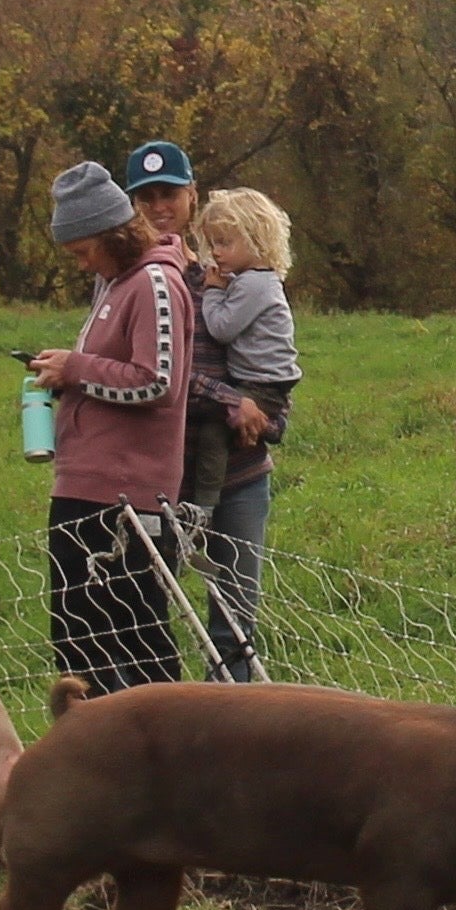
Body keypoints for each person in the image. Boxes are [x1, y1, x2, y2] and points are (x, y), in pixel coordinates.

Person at [28, 161, 194, 692]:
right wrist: (65, 377)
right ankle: (96, 753)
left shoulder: (154, 284)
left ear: (110, 234)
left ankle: (160, 753)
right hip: (85, 484)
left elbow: (158, 383)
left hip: (124, 498)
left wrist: (75, 370)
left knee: (135, 640)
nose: (80, 265)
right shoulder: (115, 284)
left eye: (82, 252)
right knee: (77, 638)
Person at [121, 141, 281, 679]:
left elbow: (268, 354)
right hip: (159, 474)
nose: (158, 207)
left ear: (191, 196)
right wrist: (230, 399)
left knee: (235, 621)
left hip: (239, 472)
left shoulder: (232, 271)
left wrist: (260, 405)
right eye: (145, 199)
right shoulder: (135, 281)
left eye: (169, 194)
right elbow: (154, 374)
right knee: (147, 613)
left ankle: (232, 729)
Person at [189, 185, 301, 679]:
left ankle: (204, 506)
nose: (217, 254)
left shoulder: (251, 285)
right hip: (255, 383)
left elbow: (220, 328)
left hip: (264, 384)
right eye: (213, 243)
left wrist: (212, 290)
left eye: (225, 244)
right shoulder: (256, 279)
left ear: (256, 241)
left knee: (217, 434)